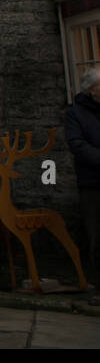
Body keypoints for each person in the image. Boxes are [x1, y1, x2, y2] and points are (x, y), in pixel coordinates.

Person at [64, 66, 100, 305]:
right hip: (93, 183)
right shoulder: (76, 113)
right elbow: (77, 144)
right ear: (92, 89)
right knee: (98, 237)